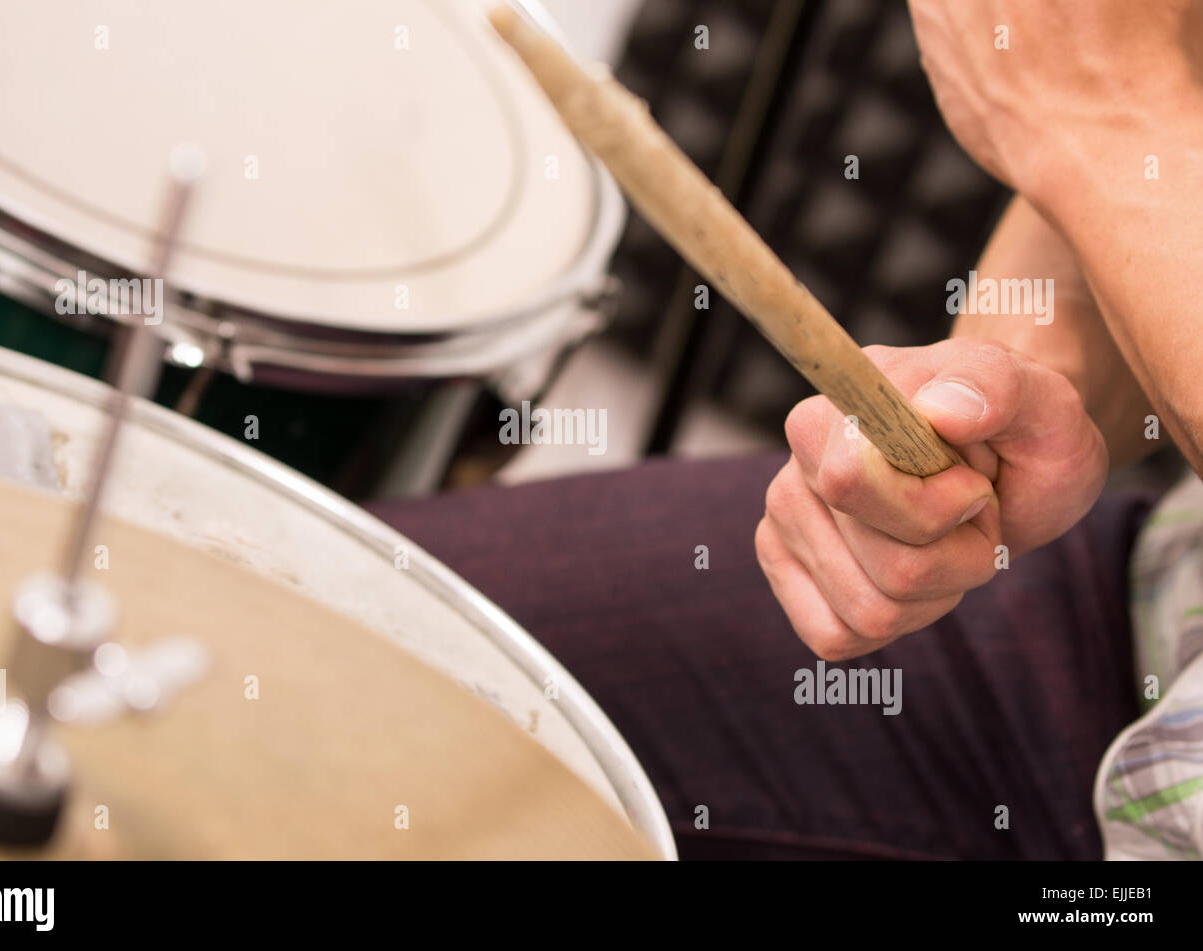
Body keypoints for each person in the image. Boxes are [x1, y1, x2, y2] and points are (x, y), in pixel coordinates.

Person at [371, 1, 1203, 859]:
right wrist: (1010, 398)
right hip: (1144, 610)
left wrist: (1099, 117)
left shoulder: (1103, 119)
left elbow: (1136, 131)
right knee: (357, 633)